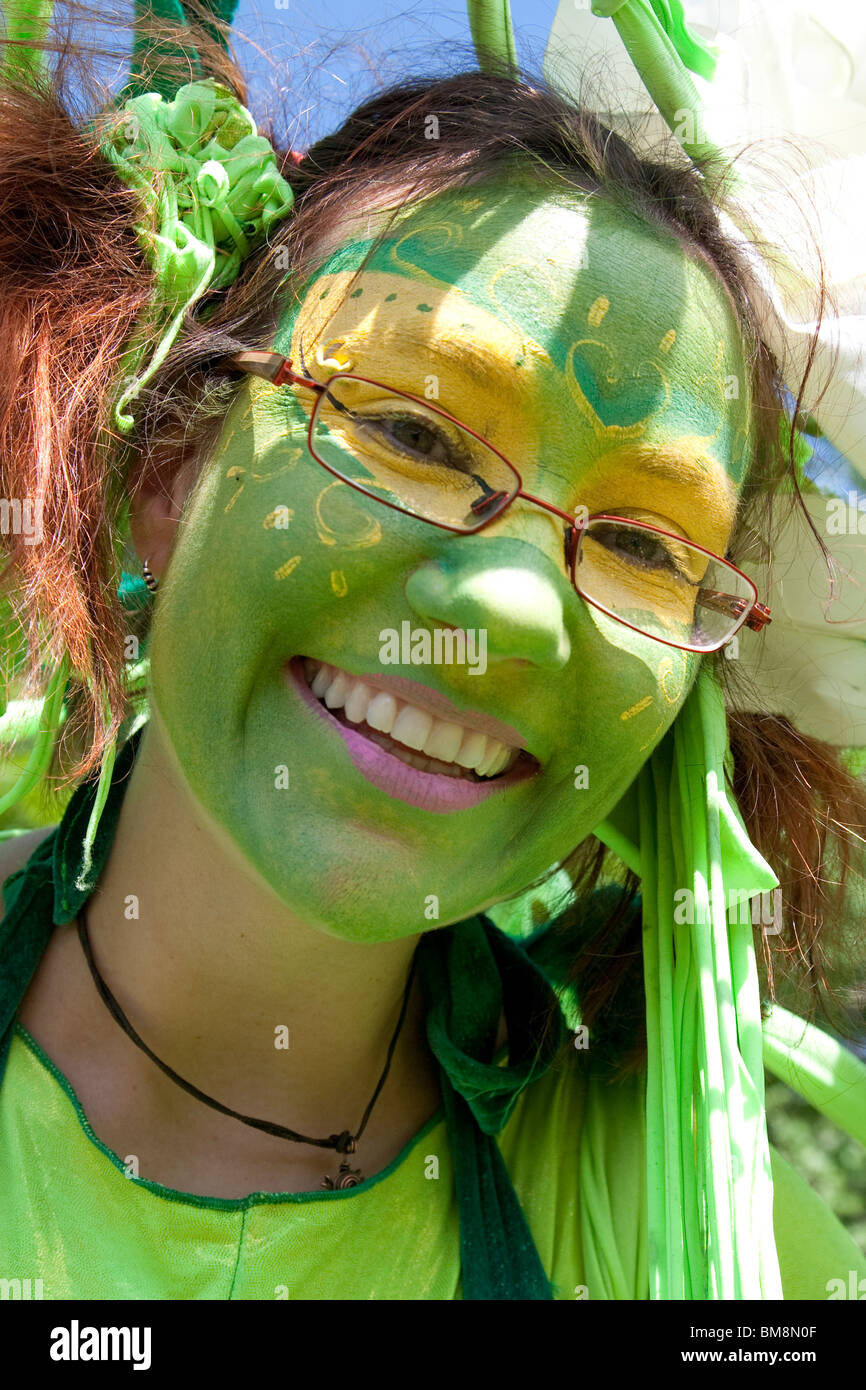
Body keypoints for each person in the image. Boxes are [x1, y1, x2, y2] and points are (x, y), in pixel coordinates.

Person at [0, 3, 863, 1300]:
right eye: (412, 433)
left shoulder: (691, 1239)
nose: (514, 609)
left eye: (638, 539)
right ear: (170, 460)